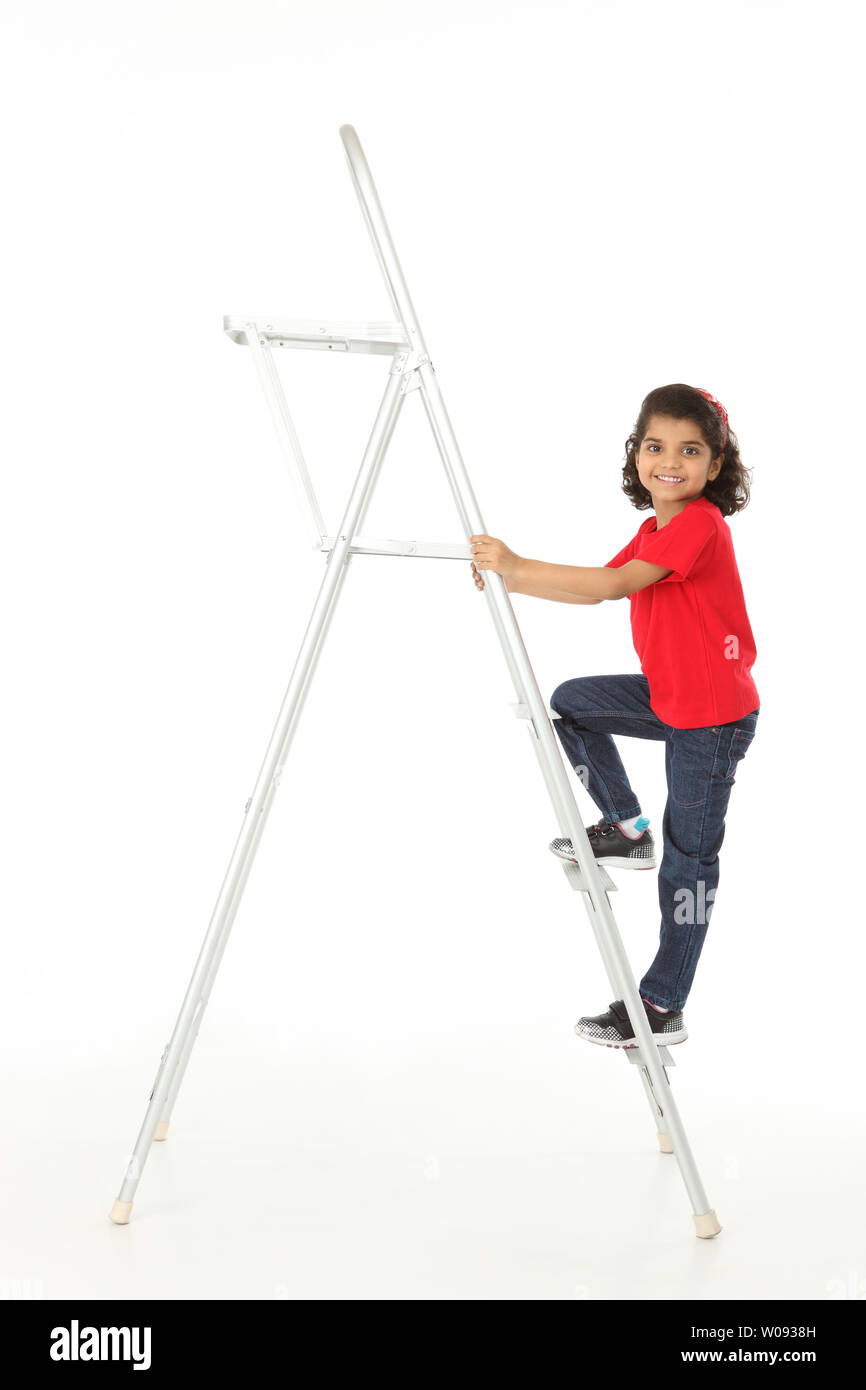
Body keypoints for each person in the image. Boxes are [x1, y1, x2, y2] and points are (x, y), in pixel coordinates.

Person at [468, 383, 759, 1049]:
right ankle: (626, 826)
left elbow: (611, 586)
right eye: (656, 446)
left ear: (714, 466)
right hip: (671, 698)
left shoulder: (698, 525)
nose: (670, 461)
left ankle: (662, 1004)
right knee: (572, 703)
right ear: (636, 456)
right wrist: (511, 579)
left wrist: (516, 562)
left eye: (690, 451)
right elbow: (595, 588)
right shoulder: (654, 528)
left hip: (711, 721)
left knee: (690, 862)